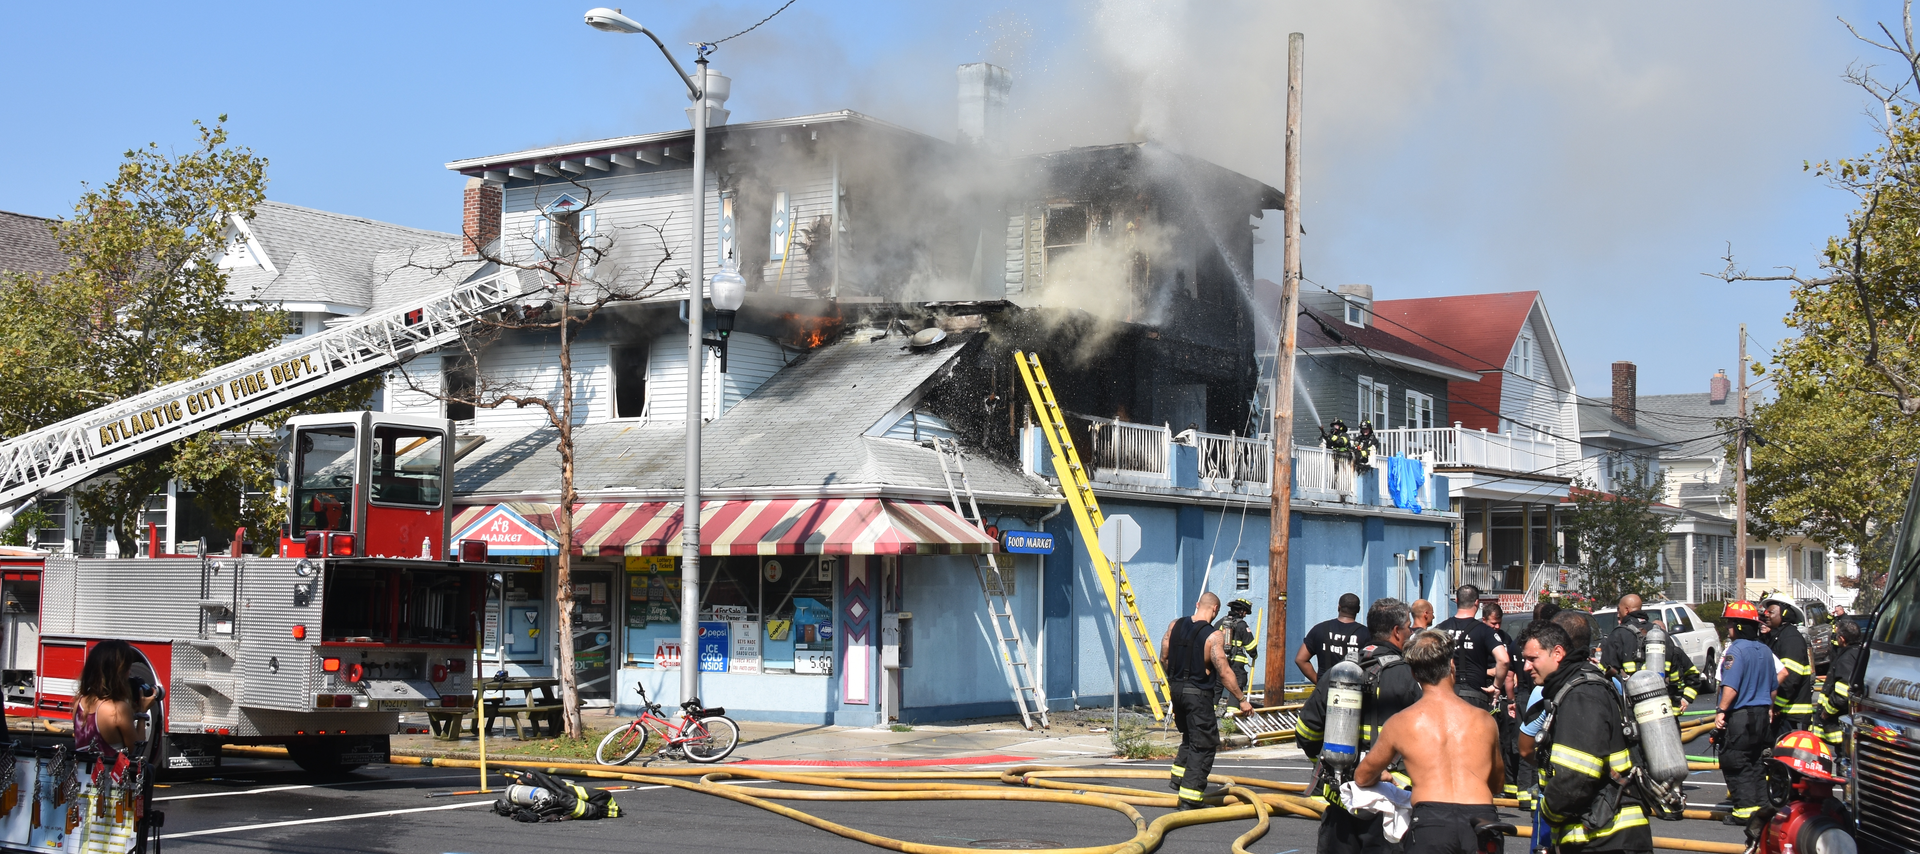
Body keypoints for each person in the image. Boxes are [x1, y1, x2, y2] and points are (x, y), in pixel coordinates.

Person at [1359, 630, 1506, 854]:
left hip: (1432, 823)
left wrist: (1386, 776)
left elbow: (1362, 776)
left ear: (1414, 674)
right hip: (1482, 820)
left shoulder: (1401, 722)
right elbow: (1497, 785)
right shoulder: (1484, 720)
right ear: (1452, 666)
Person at [1298, 598, 1424, 854]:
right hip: (1389, 806)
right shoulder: (1411, 678)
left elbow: (1305, 730)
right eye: (1408, 627)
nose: (1411, 632)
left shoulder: (1340, 673)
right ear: (1397, 632)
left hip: (1342, 798)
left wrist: (1329, 763)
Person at [1520, 619, 1653, 853]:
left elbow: (1576, 776)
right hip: (1602, 832)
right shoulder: (1576, 687)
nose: (1526, 667)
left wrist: (1549, 811)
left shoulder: (1581, 694)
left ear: (1558, 653)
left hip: (1605, 837)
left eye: (1533, 659)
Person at [1159, 592, 1253, 810]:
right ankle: (1190, 798)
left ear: (1197, 604)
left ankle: (1178, 779)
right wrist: (1241, 699)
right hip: (1198, 693)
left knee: (1190, 735)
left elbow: (1164, 657)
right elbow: (1224, 671)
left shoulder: (1174, 625)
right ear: (1215, 609)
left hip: (1177, 690)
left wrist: (1175, 681)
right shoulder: (1214, 636)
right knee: (1204, 744)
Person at [1714, 601, 1778, 827]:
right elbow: (1773, 688)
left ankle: (1743, 812)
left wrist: (1722, 711)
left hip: (1741, 716)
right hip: (1762, 715)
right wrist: (1768, 709)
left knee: (1736, 761)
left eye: (1730, 623)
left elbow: (1731, 687)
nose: (1728, 628)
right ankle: (1762, 808)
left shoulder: (1737, 651)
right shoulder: (1765, 650)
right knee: (1756, 762)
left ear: (1740, 626)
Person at [1598, 593, 1708, 710]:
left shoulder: (1618, 635)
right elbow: (1692, 673)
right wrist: (1686, 699)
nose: (1618, 614)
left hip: (1634, 712)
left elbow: (1604, 675)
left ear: (1626, 610)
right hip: (1666, 712)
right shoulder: (1663, 636)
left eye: (1618, 609)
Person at [75, 639, 158, 761]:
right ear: (118, 673)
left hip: (82, 777)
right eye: (127, 668)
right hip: (109, 778)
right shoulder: (117, 709)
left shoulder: (79, 703)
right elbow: (136, 751)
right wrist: (142, 712)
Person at [1435, 585, 1509, 712]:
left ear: (1457, 601)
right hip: (1475, 695)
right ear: (1477, 602)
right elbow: (1504, 660)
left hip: (1446, 694)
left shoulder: (1440, 629)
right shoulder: (1484, 630)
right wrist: (1496, 686)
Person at [1297, 592, 1373, 684]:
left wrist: (1319, 682)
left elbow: (1300, 659)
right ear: (1358, 610)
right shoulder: (1366, 634)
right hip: (1354, 690)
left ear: (1339, 607)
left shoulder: (1320, 629)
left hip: (1326, 689)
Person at [1763, 601, 1814, 738]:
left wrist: (1776, 705)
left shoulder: (1791, 639)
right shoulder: (1779, 636)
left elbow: (1790, 678)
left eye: (1771, 612)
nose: (1766, 614)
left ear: (1784, 614)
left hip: (1792, 717)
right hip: (1783, 714)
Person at [1811, 616, 1862, 750]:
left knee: (1843, 759)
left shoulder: (1846, 659)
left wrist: (1827, 712)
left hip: (1838, 722)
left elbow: (1842, 694)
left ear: (1842, 639)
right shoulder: (1859, 653)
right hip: (1850, 719)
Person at [1219, 598, 1260, 706]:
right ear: (1241, 611)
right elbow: (1250, 647)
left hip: (1220, 660)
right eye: (1245, 611)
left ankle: (1212, 709)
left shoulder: (1221, 622)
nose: (1245, 615)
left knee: (1217, 685)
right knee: (1236, 685)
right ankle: (1232, 713)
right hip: (1236, 662)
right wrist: (1254, 655)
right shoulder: (1242, 625)